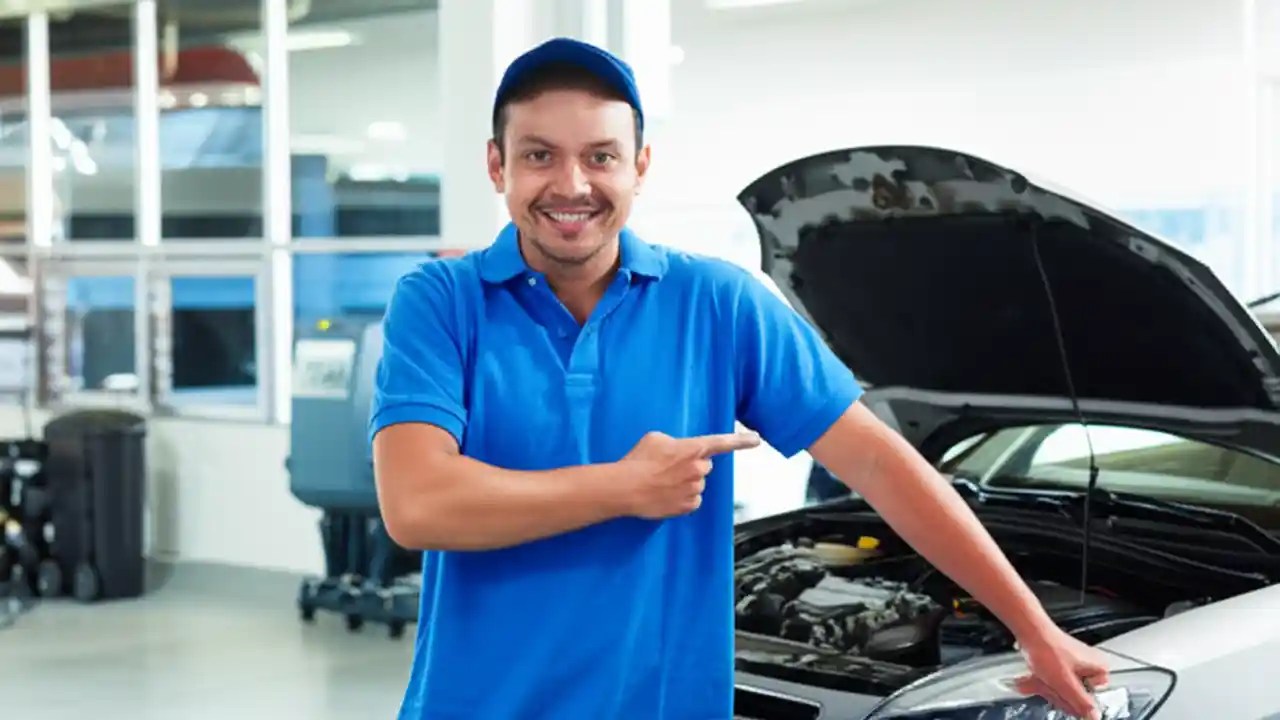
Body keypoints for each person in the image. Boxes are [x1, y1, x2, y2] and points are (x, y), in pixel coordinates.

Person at [369, 37, 1110, 720]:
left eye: (600, 156)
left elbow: (880, 464)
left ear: (640, 167)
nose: (572, 184)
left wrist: (1034, 628)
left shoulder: (718, 304)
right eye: (539, 156)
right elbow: (417, 505)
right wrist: (625, 488)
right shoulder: (441, 302)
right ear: (497, 166)